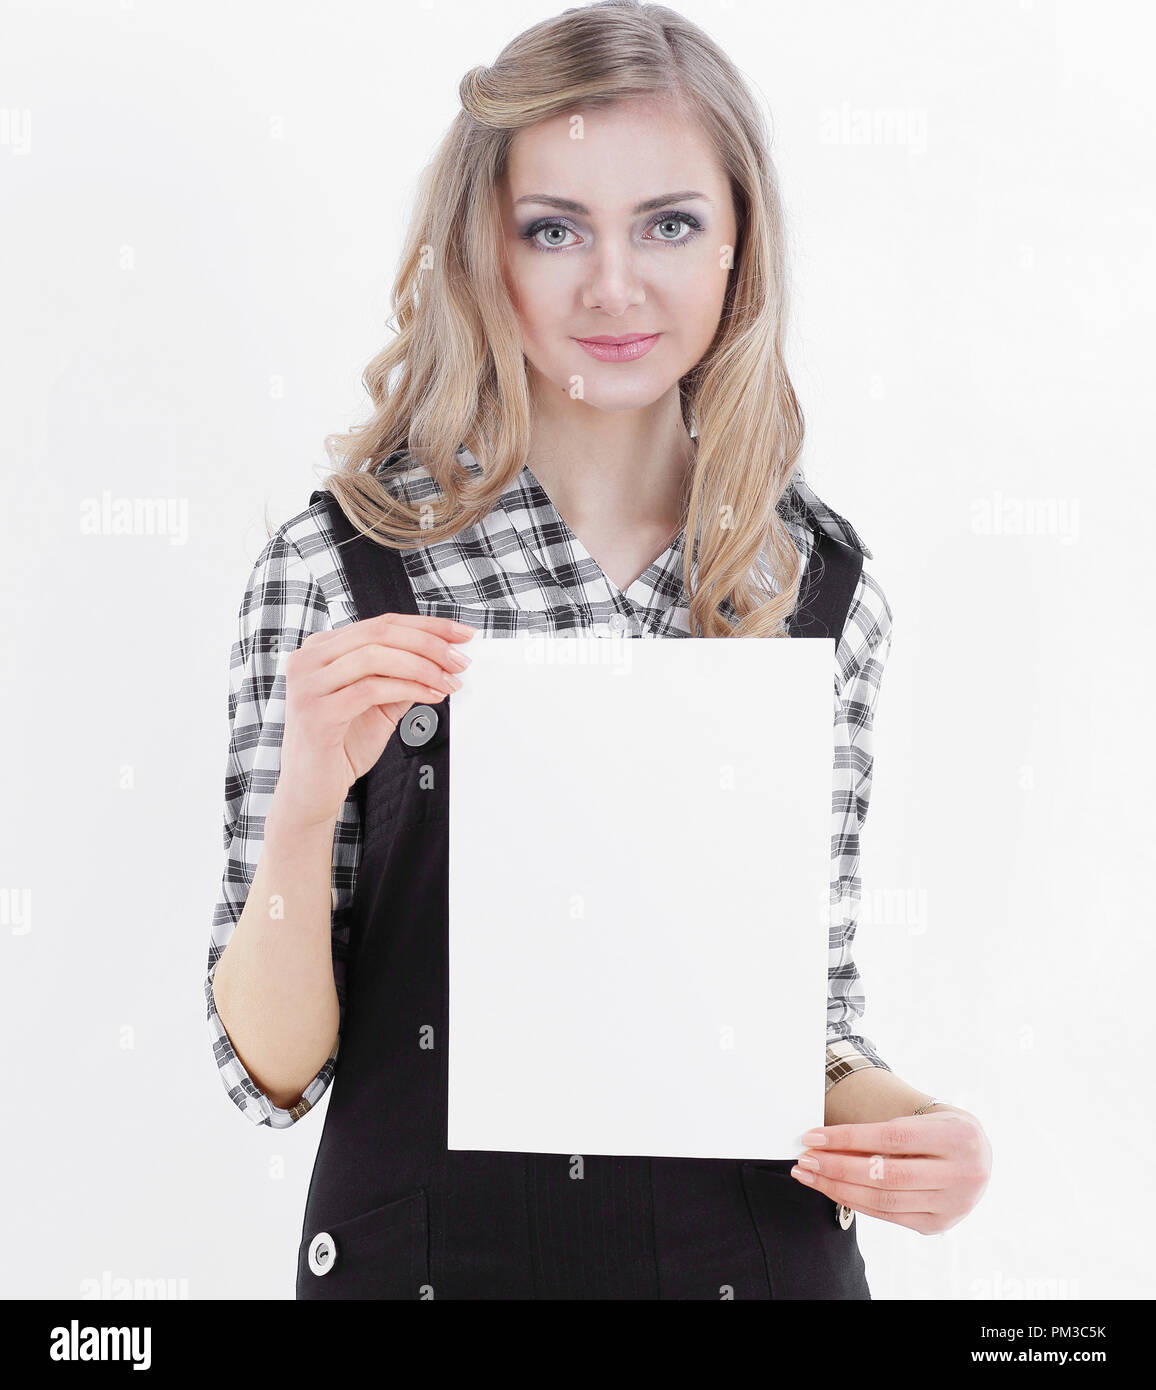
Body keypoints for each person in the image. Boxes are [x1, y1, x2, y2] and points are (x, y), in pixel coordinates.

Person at [205, 0, 991, 1299]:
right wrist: (302, 806)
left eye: (669, 224)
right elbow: (269, 1074)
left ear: (738, 245)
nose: (614, 285)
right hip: (430, 1267)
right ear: (481, 252)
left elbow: (807, 1015)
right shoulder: (336, 566)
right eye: (555, 228)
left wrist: (915, 1136)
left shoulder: (822, 585)